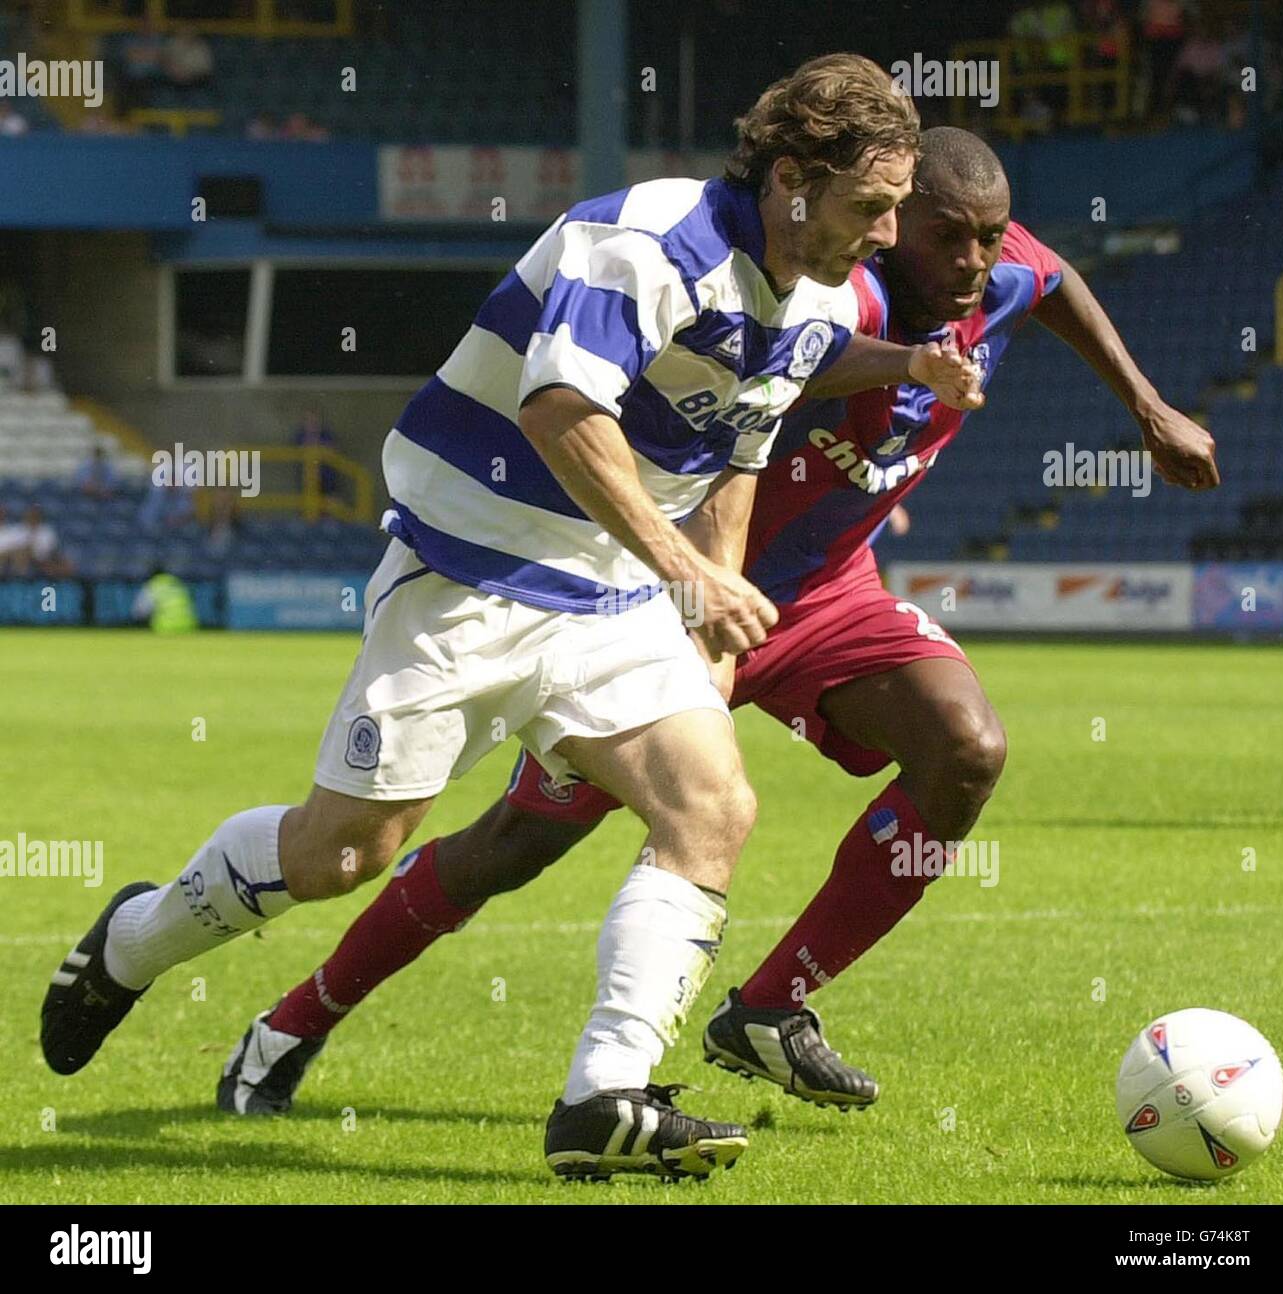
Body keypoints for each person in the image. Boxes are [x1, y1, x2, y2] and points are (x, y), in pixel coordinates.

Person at [41, 55, 977, 1183]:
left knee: (712, 806)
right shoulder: (641, 241)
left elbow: (737, 454)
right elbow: (559, 409)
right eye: (869, 205)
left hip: (616, 596)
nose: (885, 235)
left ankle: (603, 1098)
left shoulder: (817, 301)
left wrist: (705, 610)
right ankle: (130, 943)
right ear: (789, 179)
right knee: (341, 852)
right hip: (467, 576)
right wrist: (687, 566)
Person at [215, 128, 1219, 1121]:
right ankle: (293, 1022)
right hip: (676, 602)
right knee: (514, 845)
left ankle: (770, 1007)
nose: (973, 262)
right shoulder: (834, 290)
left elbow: (1051, 287)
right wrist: (906, 365)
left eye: (989, 237)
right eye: (945, 235)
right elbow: (790, 361)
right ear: (886, 218)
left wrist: (1145, 405)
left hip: (825, 593)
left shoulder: (991, 270)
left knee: (964, 747)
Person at [132, 565, 199, 634]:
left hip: (165, 628)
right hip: (188, 627)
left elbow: (140, 611)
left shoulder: (153, 585)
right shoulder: (177, 582)